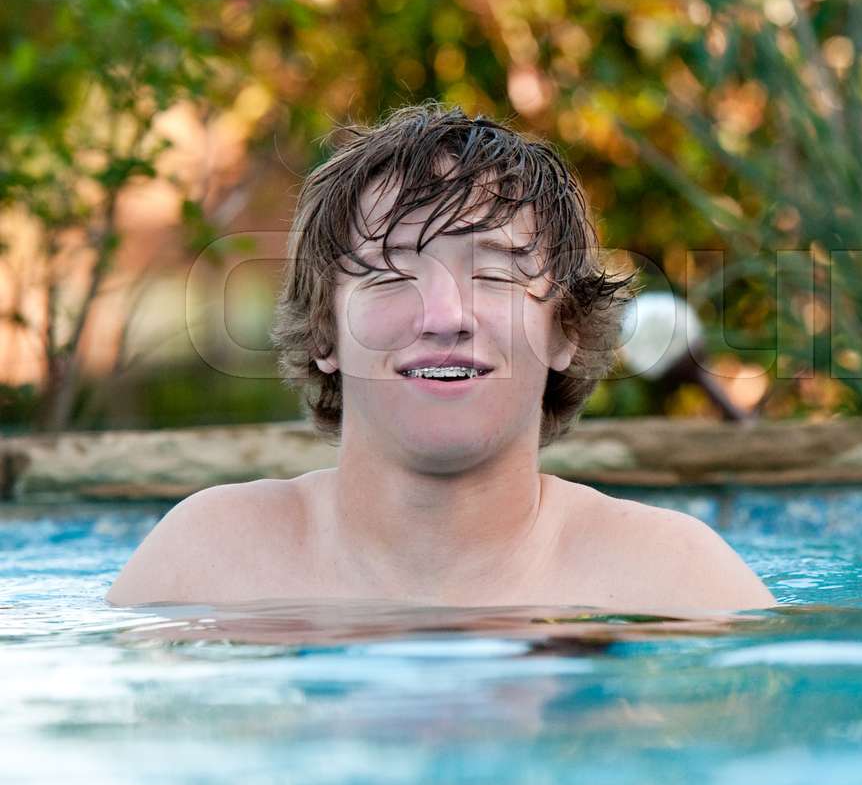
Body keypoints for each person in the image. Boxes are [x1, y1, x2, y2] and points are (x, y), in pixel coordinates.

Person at [108, 103, 775, 613]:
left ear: (565, 328)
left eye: (494, 274)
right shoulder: (206, 565)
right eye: (392, 275)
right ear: (324, 333)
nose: (445, 316)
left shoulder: (675, 582)